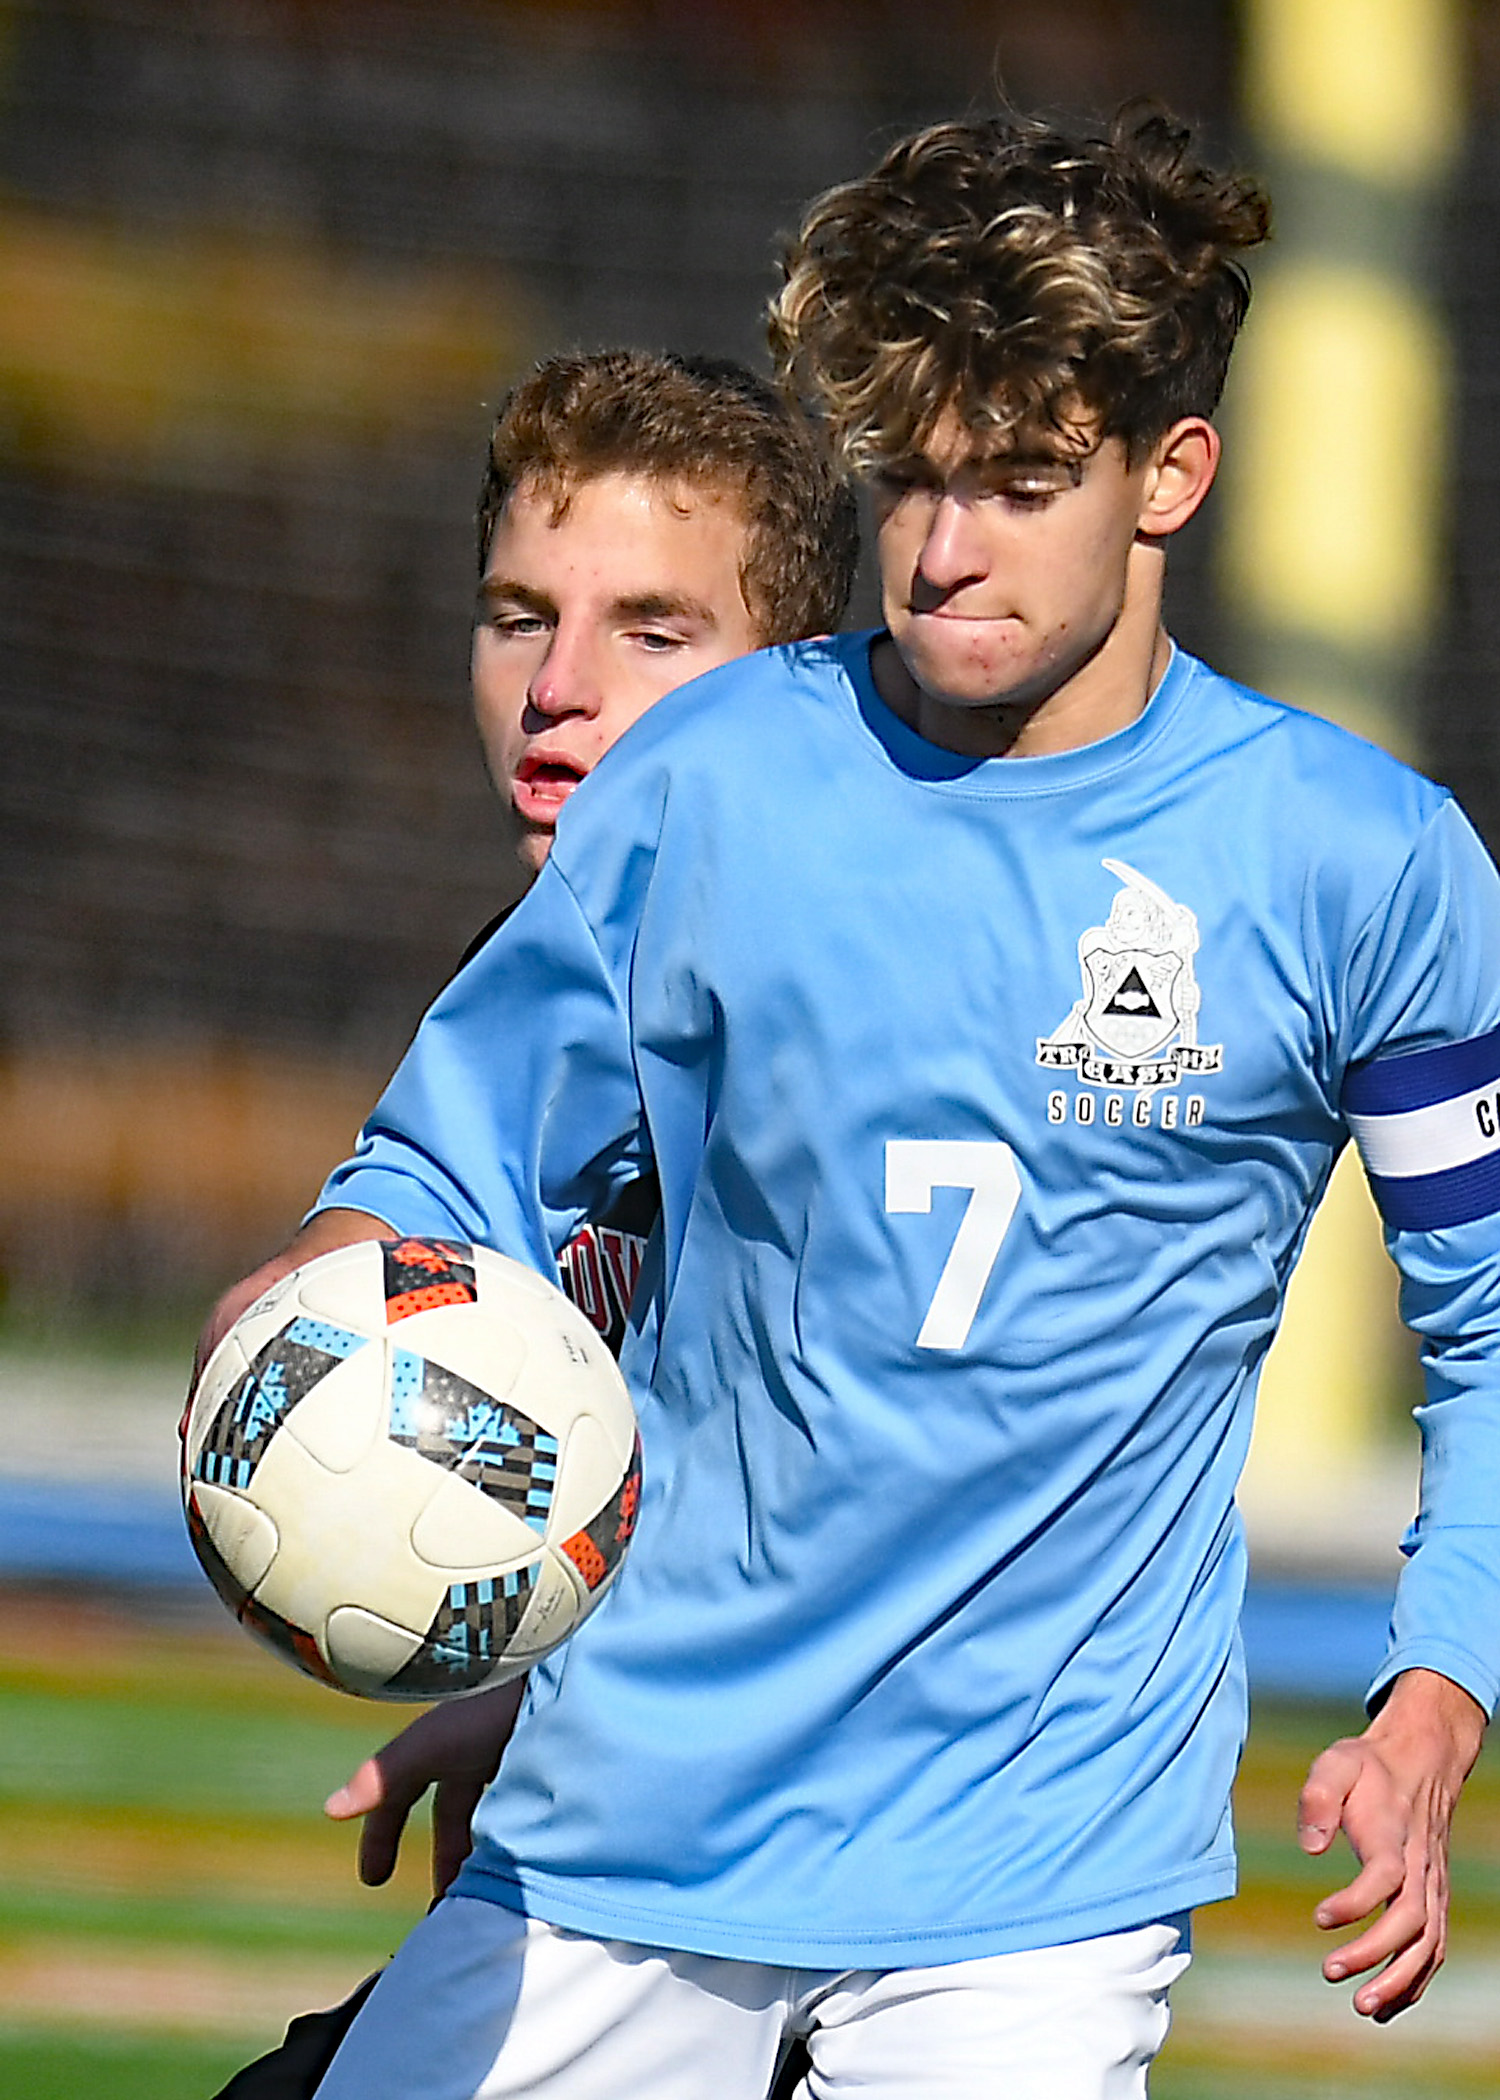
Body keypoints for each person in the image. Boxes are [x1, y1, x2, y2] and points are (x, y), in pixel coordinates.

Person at [201, 104, 1500, 2100]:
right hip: (629, 1832)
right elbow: (451, 1159)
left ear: (1174, 478)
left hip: (1035, 1900)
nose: (942, 546)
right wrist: (310, 1323)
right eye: (910, 478)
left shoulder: (1365, 869)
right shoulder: (713, 777)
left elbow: (1489, 1345)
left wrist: (1435, 1707)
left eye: (1022, 481)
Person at [205, 345, 856, 2100]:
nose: (560, 689)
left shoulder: (850, 1009)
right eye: (517, 616)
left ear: (796, 680)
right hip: (639, 1842)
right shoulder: (538, 1015)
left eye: (653, 631)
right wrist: (524, 1675)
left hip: (863, 1904)